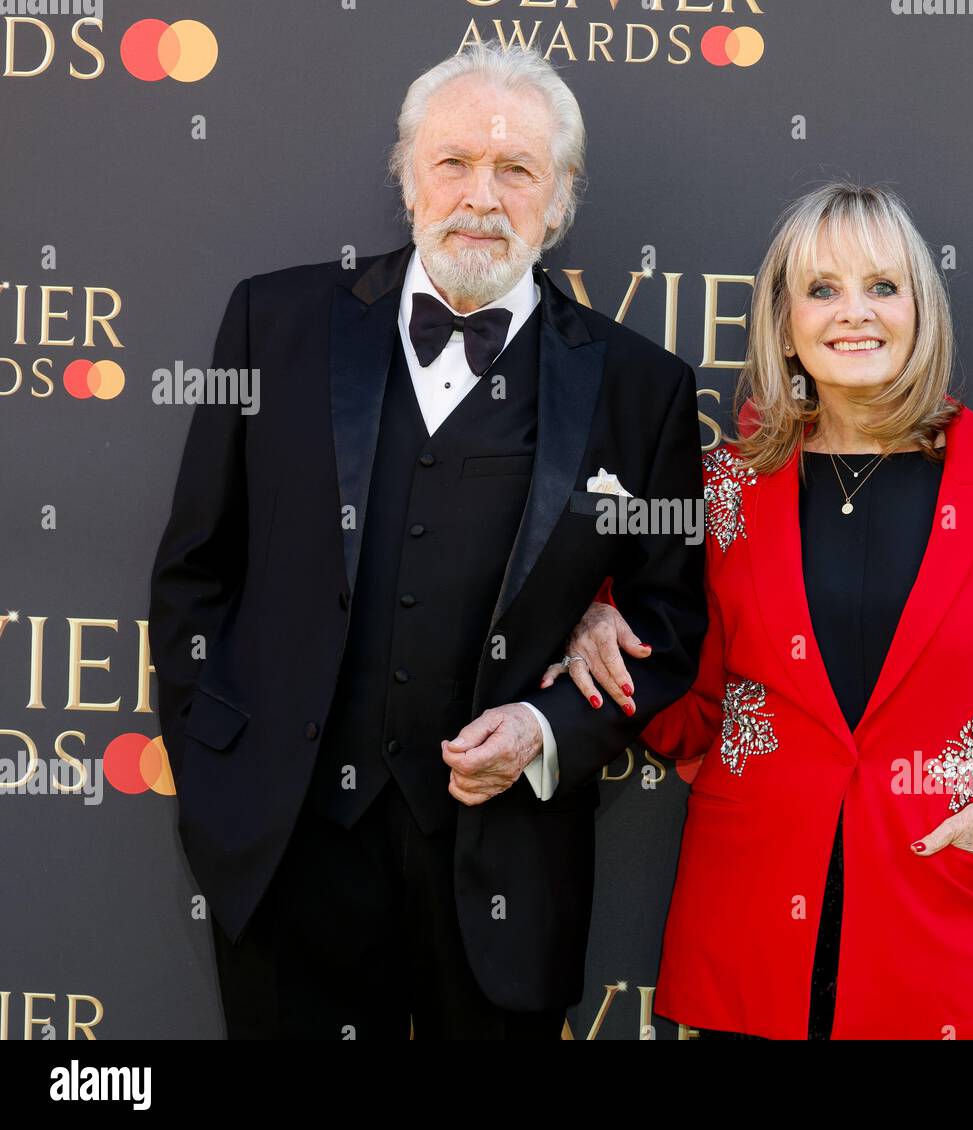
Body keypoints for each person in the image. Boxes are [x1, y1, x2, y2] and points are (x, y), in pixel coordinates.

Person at [147, 44, 707, 1039]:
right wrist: (219, 776)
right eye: (454, 162)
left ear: (560, 199)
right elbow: (197, 568)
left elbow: (664, 620)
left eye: (517, 169)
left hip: (506, 869)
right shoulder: (272, 324)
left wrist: (545, 731)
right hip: (287, 849)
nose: (481, 197)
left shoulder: (638, 386)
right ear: (407, 176)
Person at [541, 181, 973, 1039]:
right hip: (746, 936)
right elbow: (683, 695)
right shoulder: (721, 488)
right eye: (822, 289)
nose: (854, 312)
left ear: (921, 310)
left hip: (938, 933)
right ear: (786, 325)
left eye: (882, 286)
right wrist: (598, 620)